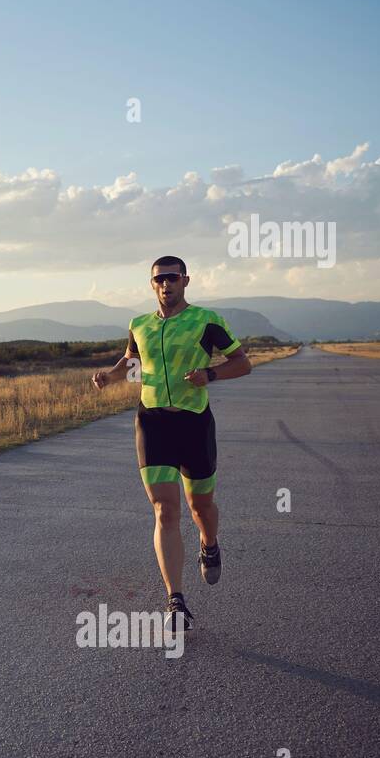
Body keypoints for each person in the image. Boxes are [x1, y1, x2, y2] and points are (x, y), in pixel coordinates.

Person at [91, 256, 253, 635]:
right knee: (165, 509)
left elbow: (243, 363)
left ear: (185, 281)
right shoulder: (139, 325)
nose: (166, 284)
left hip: (193, 422)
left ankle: (209, 544)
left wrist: (209, 374)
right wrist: (110, 376)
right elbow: (132, 363)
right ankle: (175, 599)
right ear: (152, 285)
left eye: (172, 278)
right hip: (153, 422)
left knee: (202, 507)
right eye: (159, 279)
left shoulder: (206, 321)